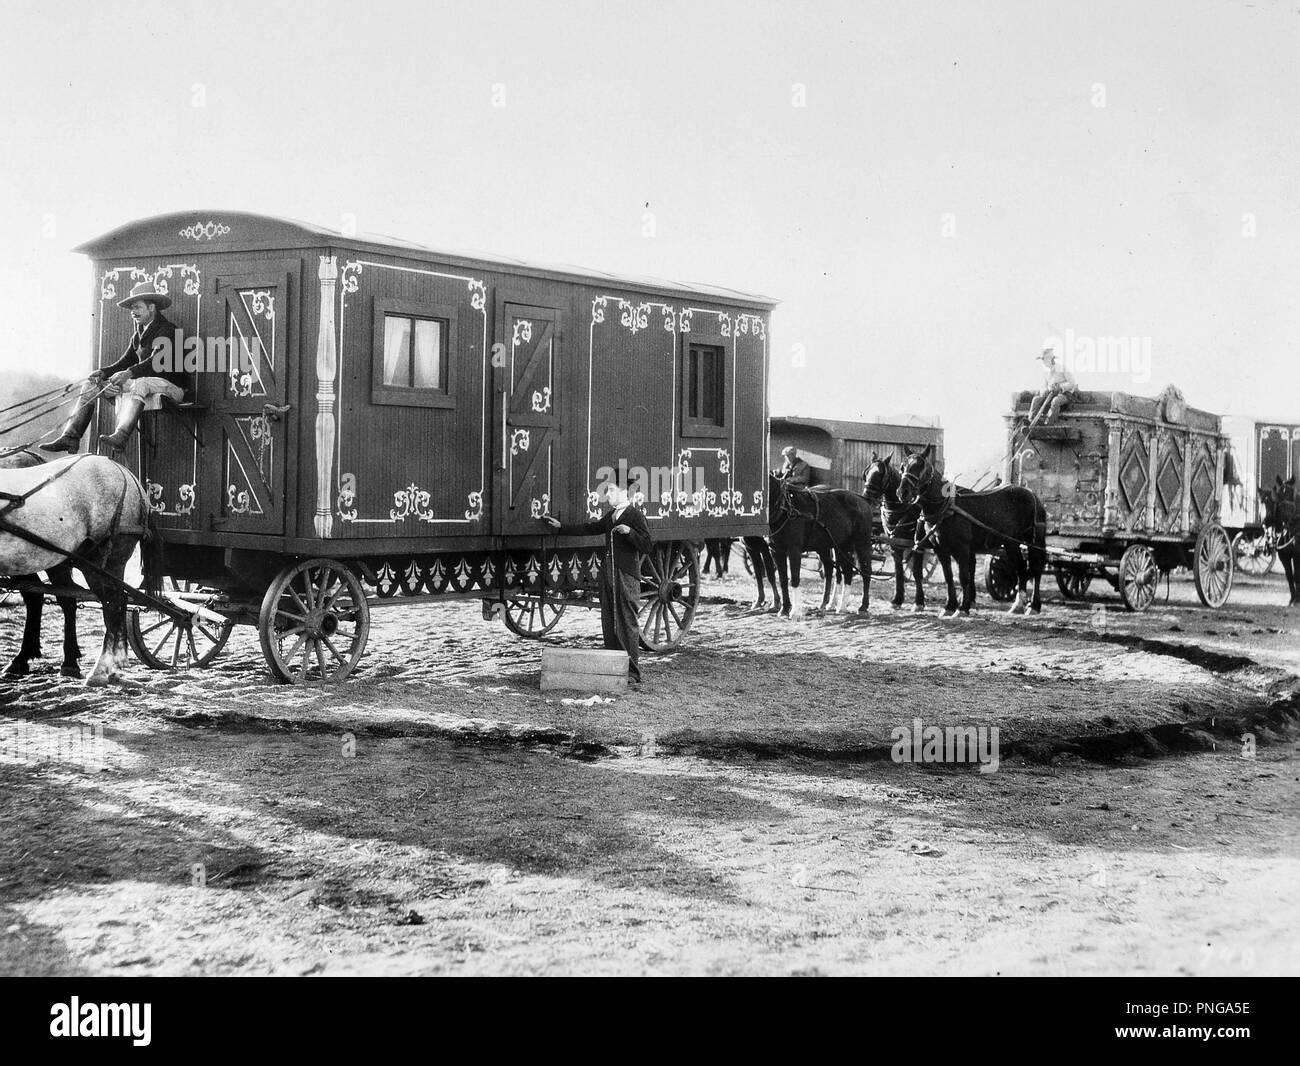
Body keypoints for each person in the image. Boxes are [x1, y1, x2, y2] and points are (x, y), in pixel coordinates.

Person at [43, 281, 189, 454]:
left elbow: (155, 363)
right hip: (146, 384)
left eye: (137, 307)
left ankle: (121, 436)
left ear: (151, 307)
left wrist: (128, 374)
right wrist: (103, 372)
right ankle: (71, 437)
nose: (133, 313)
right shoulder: (138, 335)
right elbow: (124, 362)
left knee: (139, 383)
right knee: (90, 386)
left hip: (173, 388)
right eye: (131, 309)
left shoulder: (167, 330)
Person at [541, 479, 652, 683]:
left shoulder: (634, 516)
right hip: (607, 573)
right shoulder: (613, 516)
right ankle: (613, 666)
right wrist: (561, 527)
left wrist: (630, 533)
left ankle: (633, 672)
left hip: (626, 574)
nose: (607, 495)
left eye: (611, 490)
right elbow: (590, 528)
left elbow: (647, 545)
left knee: (627, 620)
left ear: (624, 492)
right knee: (609, 618)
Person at [1027, 347, 1078, 428]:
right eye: (1042, 360)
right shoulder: (1046, 372)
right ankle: (1031, 420)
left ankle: (1048, 423)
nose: (1043, 362)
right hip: (1051, 394)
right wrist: (1046, 390)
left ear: (1050, 359)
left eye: (1044, 359)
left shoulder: (1062, 368)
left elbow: (1072, 382)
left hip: (1065, 394)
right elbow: (1043, 386)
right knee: (1036, 400)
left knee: (1055, 401)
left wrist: (1061, 387)